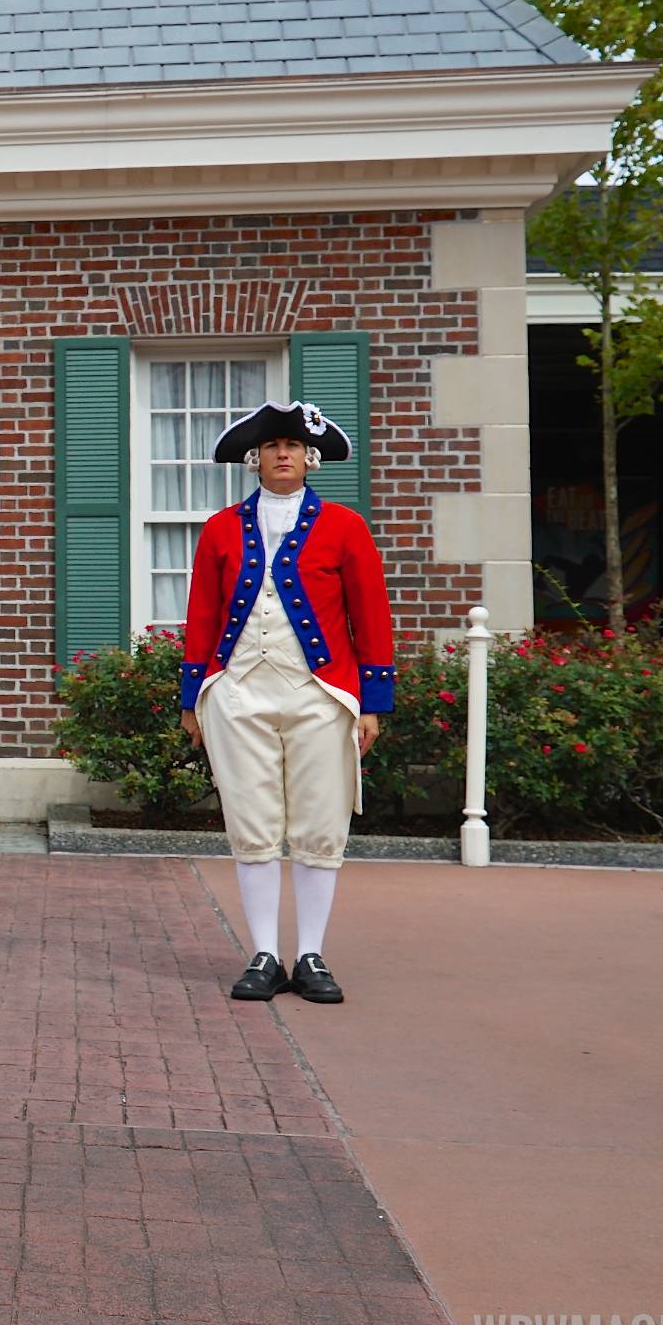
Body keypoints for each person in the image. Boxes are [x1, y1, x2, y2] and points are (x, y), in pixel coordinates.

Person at [178, 400, 394, 1006]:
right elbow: (201, 616)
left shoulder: (346, 527)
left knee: (320, 822)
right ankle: (265, 954)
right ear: (255, 458)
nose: (282, 455)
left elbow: (370, 615)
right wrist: (193, 696)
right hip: (237, 691)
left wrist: (372, 701)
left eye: (292, 447)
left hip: (320, 693)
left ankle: (312, 955)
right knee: (251, 821)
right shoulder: (220, 528)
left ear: (309, 457)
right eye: (272, 447)